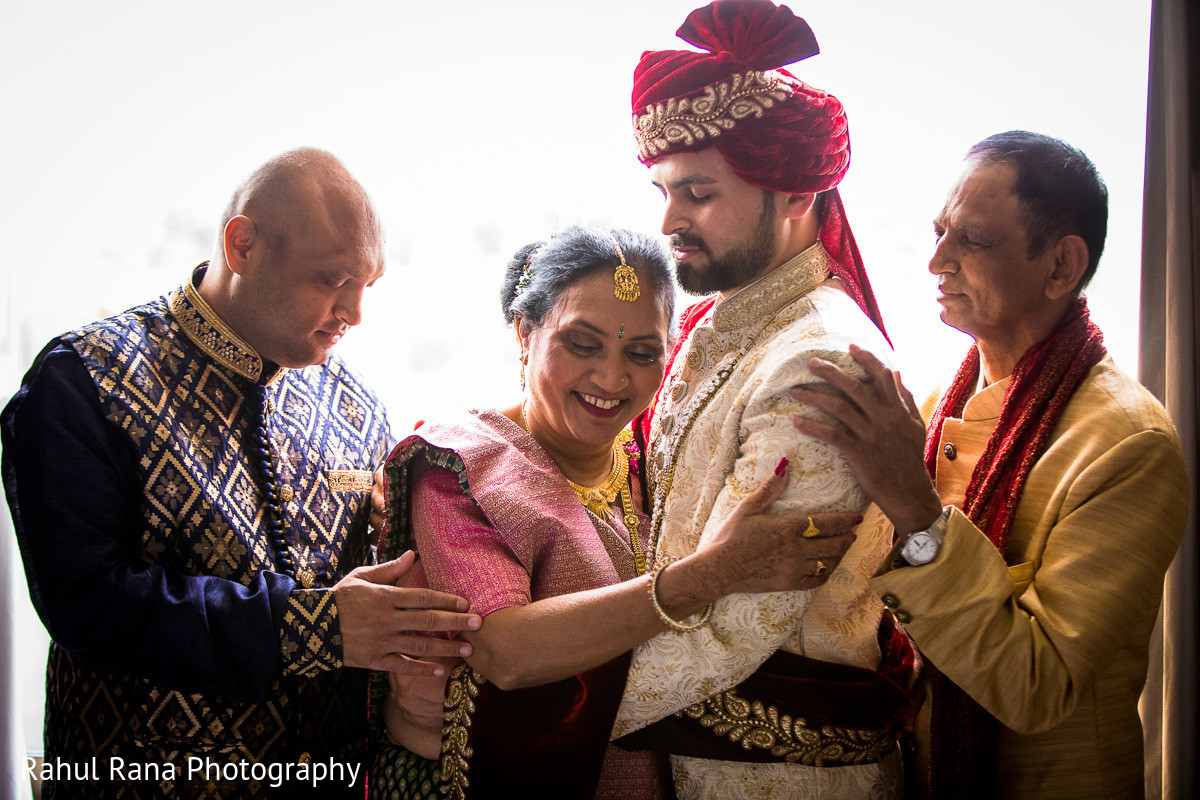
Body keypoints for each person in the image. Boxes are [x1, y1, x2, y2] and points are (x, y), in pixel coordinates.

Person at [1, 148, 482, 799]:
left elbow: (363, 588)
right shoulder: (86, 378)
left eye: (367, 284)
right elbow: (89, 605)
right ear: (242, 245)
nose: (355, 313)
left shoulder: (356, 404)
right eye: (331, 279)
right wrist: (317, 628)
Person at [370, 225, 862, 800]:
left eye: (642, 353)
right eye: (582, 344)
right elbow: (503, 652)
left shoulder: (652, 463)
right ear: (525, 334)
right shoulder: (462, 464)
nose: (611, 378)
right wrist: (710, 576)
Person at [792, 131, 1189, 799]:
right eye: (939, 232)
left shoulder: (1127, 444)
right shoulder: (936, 402)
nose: (936, 262)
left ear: (1060, 267)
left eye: (971, 240)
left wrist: (917, 510)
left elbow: (1037, 686)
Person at [598, 2, 918, 798]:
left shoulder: (818, 366)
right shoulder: (722, 322)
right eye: (663, 190)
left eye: (698, 192)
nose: (669, 220)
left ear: (796, 196)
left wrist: (513, 696)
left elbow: (729, 633)